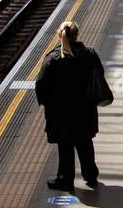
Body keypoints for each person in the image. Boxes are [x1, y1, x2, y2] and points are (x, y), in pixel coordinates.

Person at [34, 20, 103, 191]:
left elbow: (40, 84)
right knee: (85, 141)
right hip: (85, 108)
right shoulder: (90, 54)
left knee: (65, 145)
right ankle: (90, 175)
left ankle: (65, 179)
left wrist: (47, 102)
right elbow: (99, 76)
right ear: (77, 34)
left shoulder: (52, 59)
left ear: (59, 35)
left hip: (60, 112)